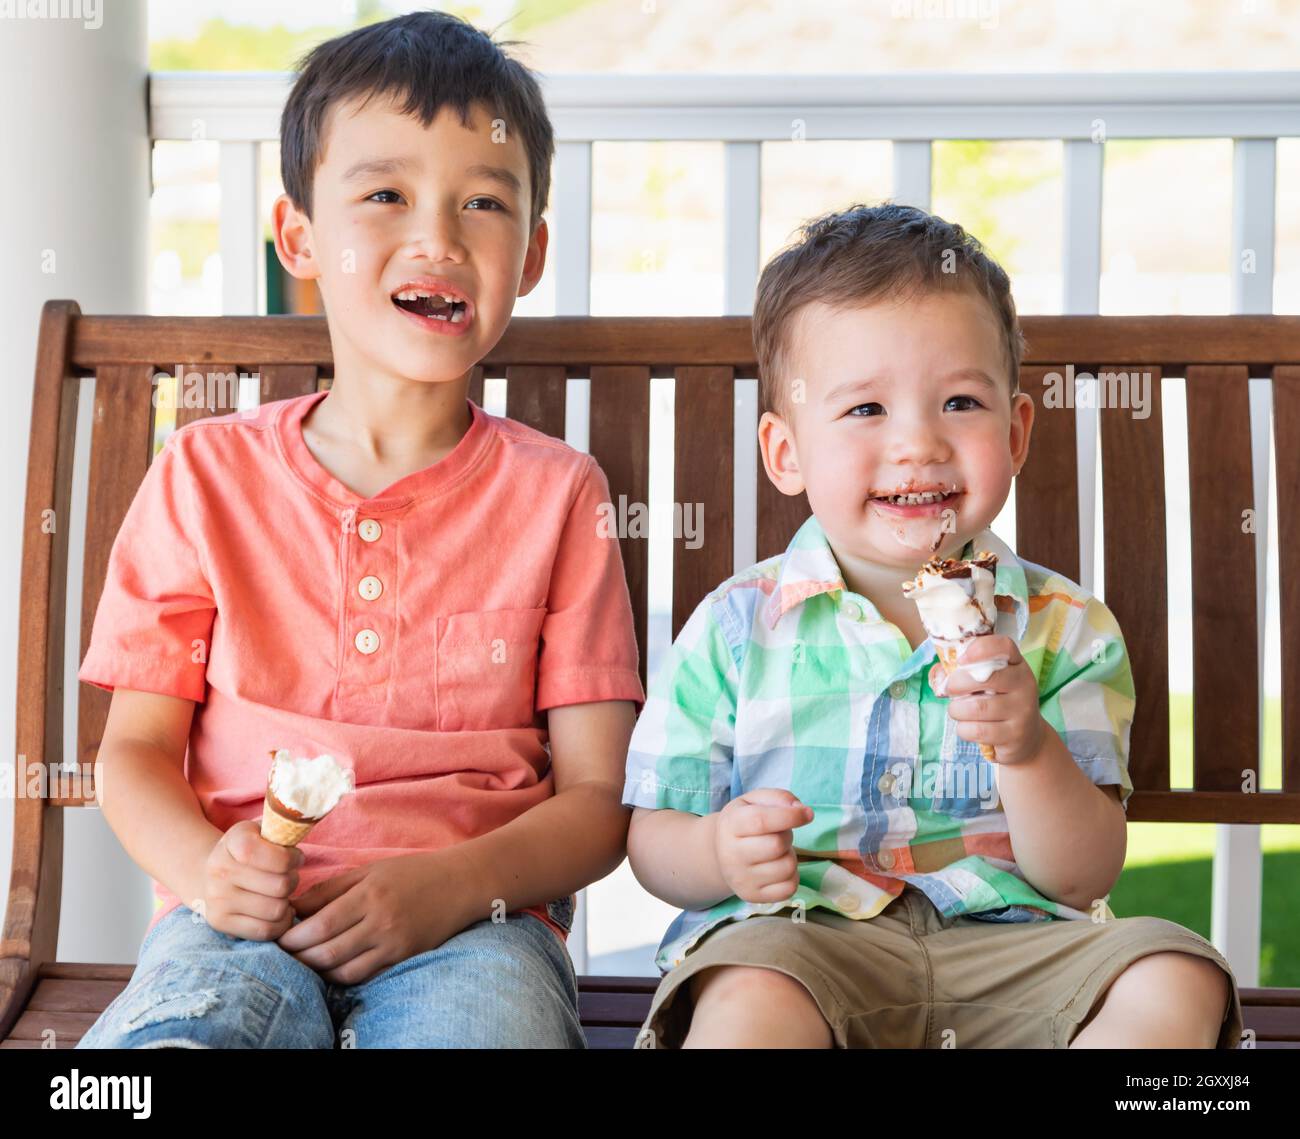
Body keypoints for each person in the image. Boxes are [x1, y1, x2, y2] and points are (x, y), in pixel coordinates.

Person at [76, 10, 644, 1049]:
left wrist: (454, 883)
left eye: (483, 202)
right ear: (298, 237)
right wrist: (211, 871)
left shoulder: (559, 494)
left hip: (478, 925)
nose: (437, 237)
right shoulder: (205, 475)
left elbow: (599, 799)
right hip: (235, 921)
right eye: (385, 194)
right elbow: (135, 755)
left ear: (530, 253)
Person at [622, 202, 1244, 1049]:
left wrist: (1026, 749)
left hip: (1020, 951)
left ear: (1016, 431)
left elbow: (1085, 870)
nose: (917, 444)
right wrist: (716, 854)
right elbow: (654, 832)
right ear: (786, 452)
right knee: (745, 1002)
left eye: (958, 401)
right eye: (865, 410)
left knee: (1176, 975)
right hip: (806, 945)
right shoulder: (737, 629)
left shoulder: (1064, 628)